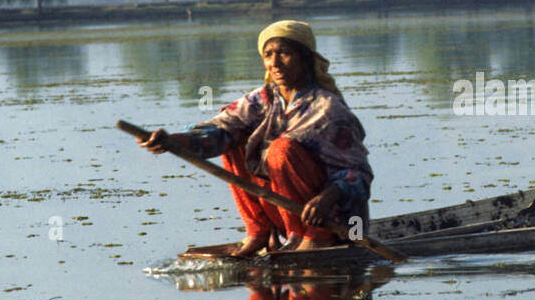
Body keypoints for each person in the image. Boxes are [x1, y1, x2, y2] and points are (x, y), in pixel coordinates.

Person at [139, 20, 372, 256]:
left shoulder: (328, 109)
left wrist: (326, 197)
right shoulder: (261, 100)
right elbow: (220, 129)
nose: (275, 63)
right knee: (235, 138)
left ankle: (315, 238)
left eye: (285, 53)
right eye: (268, 55)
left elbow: (359, 175)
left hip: (332, 221)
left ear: (305, 59)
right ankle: (260, 232)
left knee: (283, 148)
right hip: (286, 215)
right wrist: (173, 141)